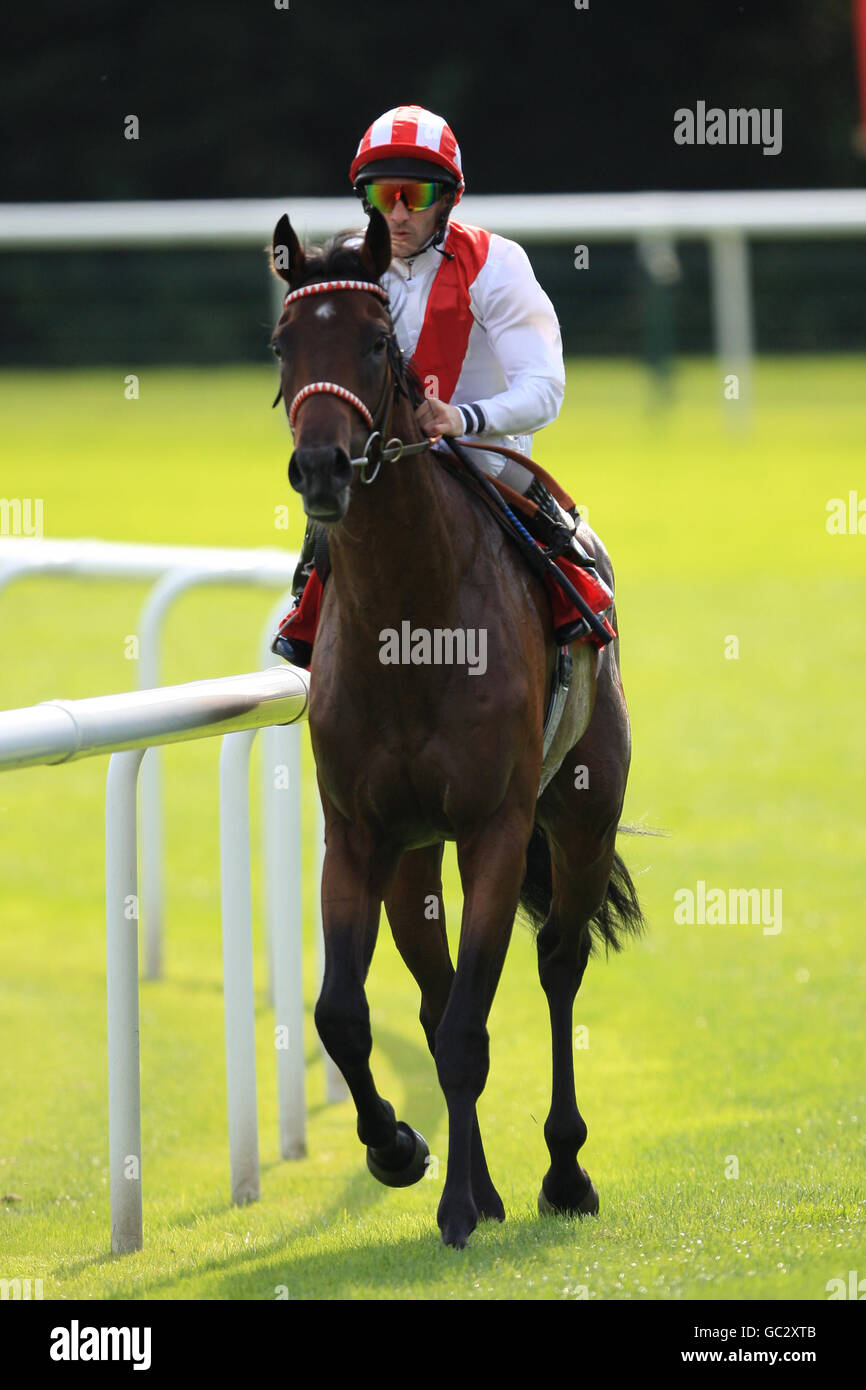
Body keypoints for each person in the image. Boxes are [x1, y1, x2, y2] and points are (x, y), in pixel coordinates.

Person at [274, 104, 578, 666]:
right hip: (382, 466)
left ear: (446, 197)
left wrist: (460, 419)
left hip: (485, 462)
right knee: (324, 529)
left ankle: (579, 633)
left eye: (412, 195)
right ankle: (307, 620)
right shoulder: (353, 265)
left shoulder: (496, 264)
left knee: (571, 550)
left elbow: (545, 389)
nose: (396, 212)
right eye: (380, 195)